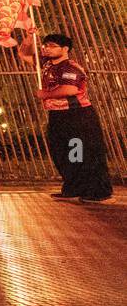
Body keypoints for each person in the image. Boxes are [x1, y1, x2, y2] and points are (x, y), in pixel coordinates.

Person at [20, 31, 113, 202]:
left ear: (65, 49)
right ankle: (73, 188)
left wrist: (45, 94)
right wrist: (29, 38)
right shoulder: (46, 64)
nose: (47, 49)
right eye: (45, 45)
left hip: (77, 117)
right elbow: (24, 54)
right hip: (58, 117)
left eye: (52, 46)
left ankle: (98, 192)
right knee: (65, 153)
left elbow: (70, 89)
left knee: (84, 153)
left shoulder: (70, 67)